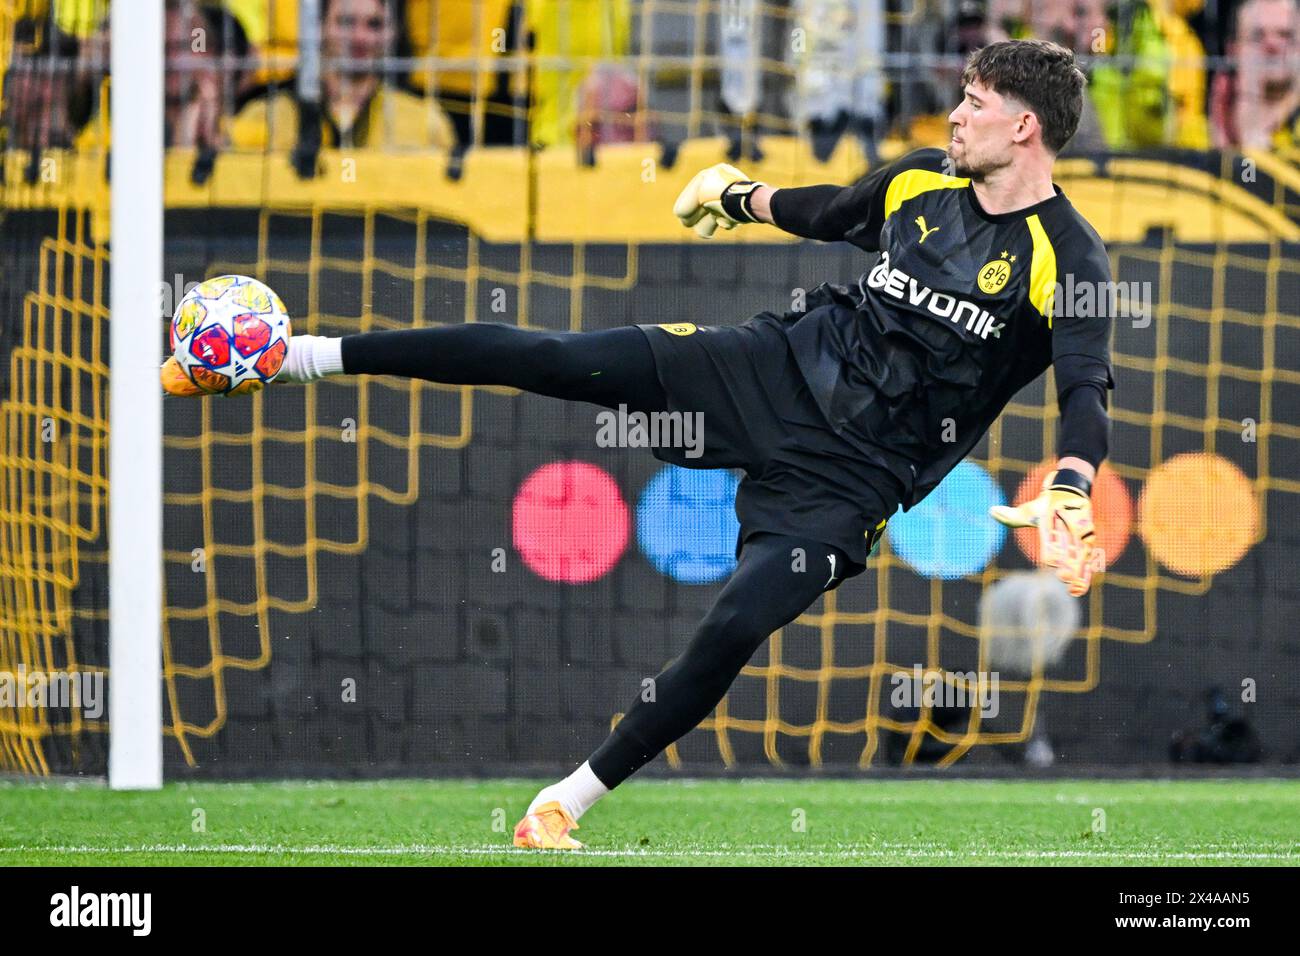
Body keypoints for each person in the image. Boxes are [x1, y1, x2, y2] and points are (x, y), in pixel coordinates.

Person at [162, 38, 1115, 851]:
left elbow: (1085, 383)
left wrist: (1072, 481)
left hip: (856, 476)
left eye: (975, 103)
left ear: (1023, 127)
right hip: (771, 372)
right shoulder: (919, 182)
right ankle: (298, 357)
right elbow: (824, 211)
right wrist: (736, 194)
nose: (956, 115)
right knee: (555, 358)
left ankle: (562, 804)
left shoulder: (1067, 256)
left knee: (739, 624)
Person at [229, 0, 454, 151]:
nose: (360, 38)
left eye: (375, 25)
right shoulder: (267, 116)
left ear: (394, 32)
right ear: (318, 27)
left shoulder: (426, 124)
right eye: (346, 22)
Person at [1209, 0, 1300, 149]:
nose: (1272, 45)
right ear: (1232, 49)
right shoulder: (1195, 127)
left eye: (1285, 35)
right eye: (1257, 36)